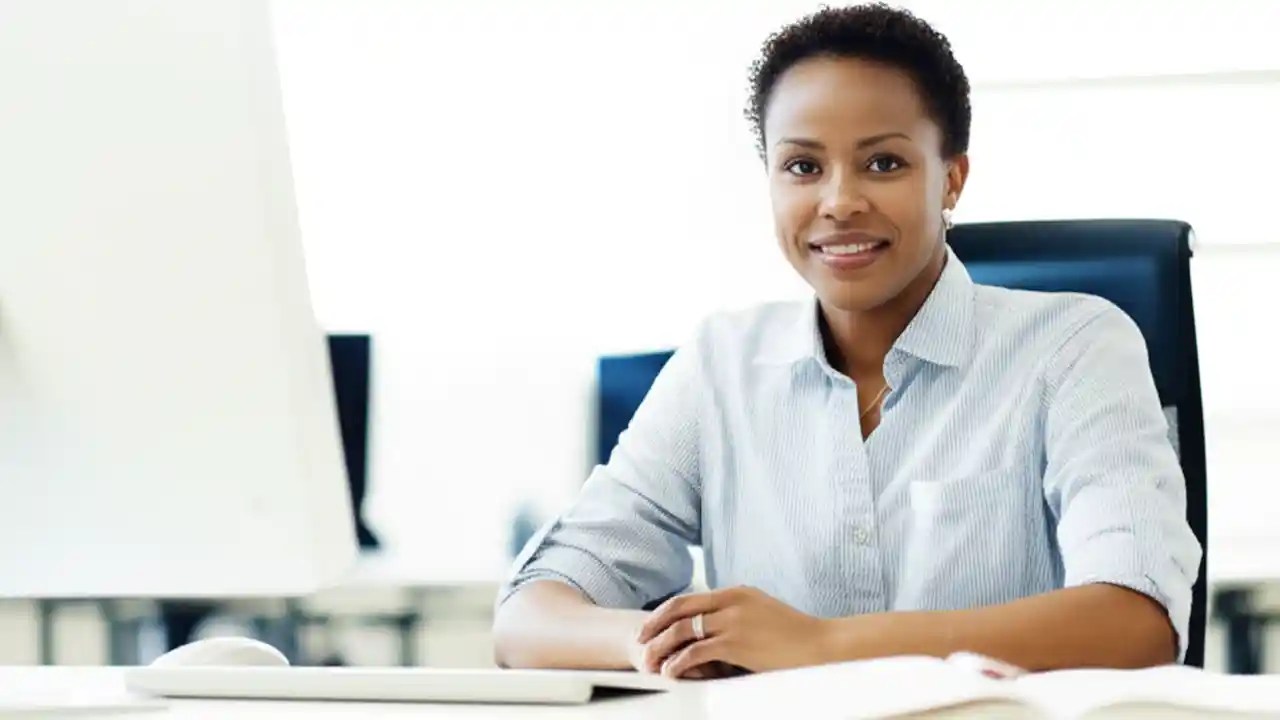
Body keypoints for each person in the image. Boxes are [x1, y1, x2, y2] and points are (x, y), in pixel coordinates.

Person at [492, 3, 1201, 679]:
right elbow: (529, 617)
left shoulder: (1075, 347)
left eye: (884, 163)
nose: (838, 201)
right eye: (803, 167)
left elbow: (1135, 622)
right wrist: (669, 644)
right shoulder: (721, 365)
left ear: (951, 178)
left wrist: (821, 644)